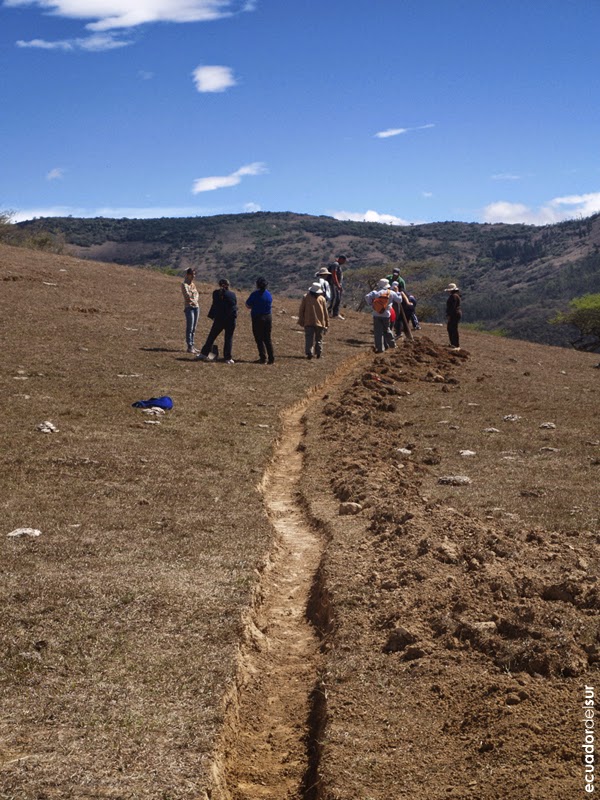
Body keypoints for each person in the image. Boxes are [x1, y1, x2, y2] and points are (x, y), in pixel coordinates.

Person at [197, 279, 237, 364]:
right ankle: (228, 357)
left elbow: (215, 304)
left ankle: (204, 353)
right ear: (227, 285)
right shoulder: (232, 295)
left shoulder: (215, 294)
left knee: (212, 336)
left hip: (219, 319)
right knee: (228, 338)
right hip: (230, 320)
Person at [364, 278, 405, 352]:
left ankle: (380, 348)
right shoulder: (391, 293)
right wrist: (398, 292)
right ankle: (392, 344)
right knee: (387, 329)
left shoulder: (375, 292)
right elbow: (399, 300)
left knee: (378, 332)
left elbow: (367, 297)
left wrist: (372, 304)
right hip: (386, 314)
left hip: (376, 314)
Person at [245, 277, 275, 364]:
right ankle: (271, 358)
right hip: (268, 317)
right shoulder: (269, 294)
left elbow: (248, 305)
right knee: (267, 339)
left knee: (259, 338)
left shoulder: (255, 294)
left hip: (257, 317)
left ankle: (263, 357)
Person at [298, 282, 329, 359]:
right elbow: (325, 312)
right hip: (320, 322)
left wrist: (301, 319)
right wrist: (327, 323)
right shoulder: (322, 299)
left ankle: (309, 353)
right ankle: (318, 353)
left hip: (308, 321)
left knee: (309, 338)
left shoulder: (306, 297)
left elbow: (302, 309)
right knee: (319, 339)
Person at [181, 268, 200, 353]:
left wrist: (195, 301)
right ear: (188, 275)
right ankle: (189, 346)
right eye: (192, 274)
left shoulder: (193, 285)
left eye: (194, 274)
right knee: (190, 327)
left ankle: (192, 345)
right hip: (189, 307)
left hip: (196, 307)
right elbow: (187, 296)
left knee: (194, 328)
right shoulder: (184, 284)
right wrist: (193, 301)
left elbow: (197, 294)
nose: (193, 276)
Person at [445, 282, 462, 349]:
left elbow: (452, 307)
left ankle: (455, 344)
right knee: (451, 328)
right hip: (456, 313)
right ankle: (453, 343)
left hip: (454, 314)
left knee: (452, 328)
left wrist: (449, 315)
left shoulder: (453, 296)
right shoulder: (456, 295)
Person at [329, 254, 347, 319]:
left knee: (338, 299)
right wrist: (337, 284)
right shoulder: (335, 264)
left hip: (337, 284)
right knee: (334, 298)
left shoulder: (338, 265)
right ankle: (329, 312)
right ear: (341, 259)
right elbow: (334, 274)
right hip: (334, 284)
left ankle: (335, 313)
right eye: (344, 261)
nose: (344, 262)